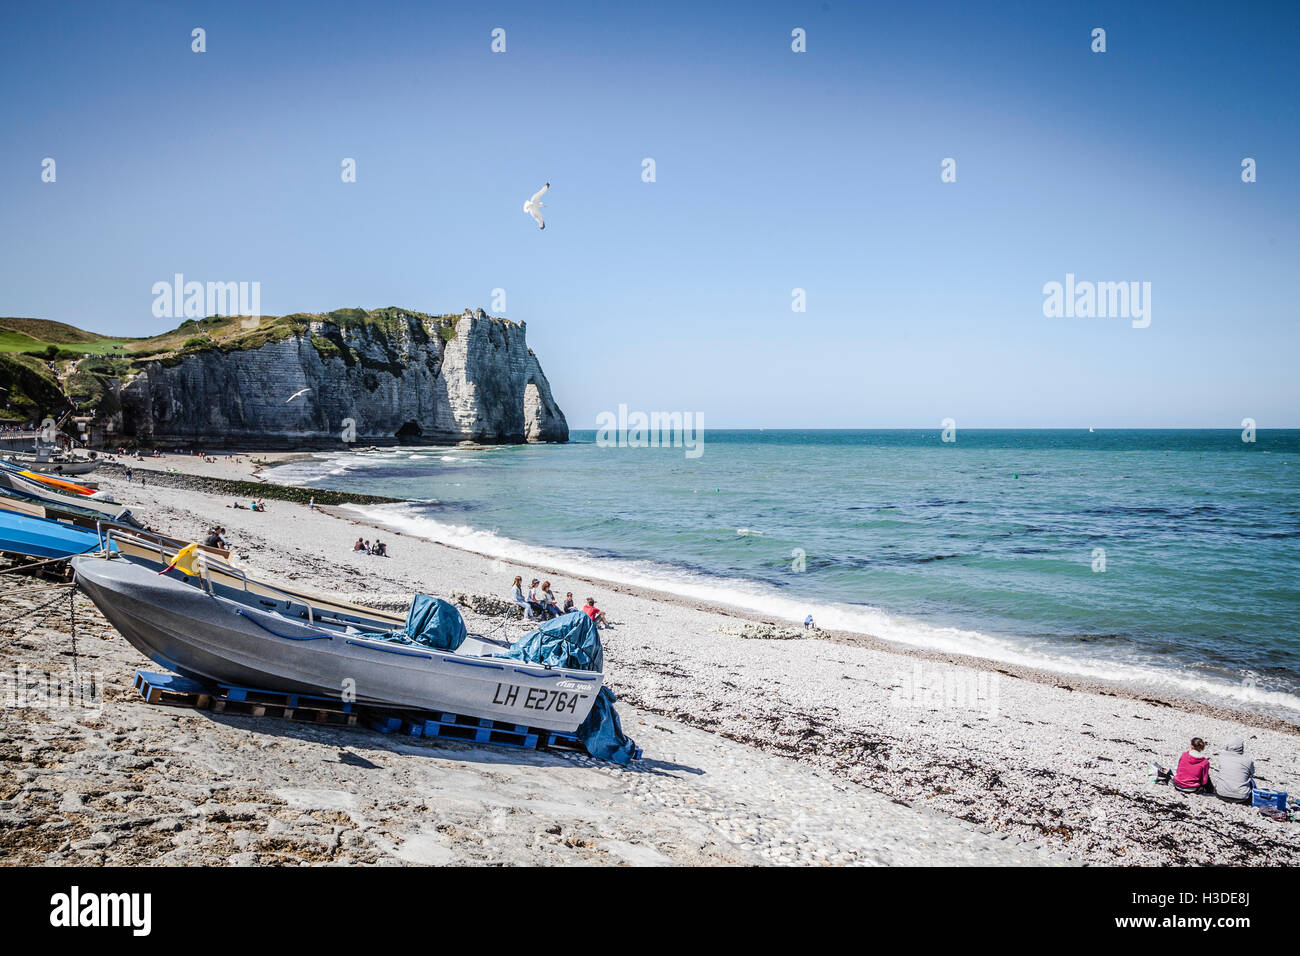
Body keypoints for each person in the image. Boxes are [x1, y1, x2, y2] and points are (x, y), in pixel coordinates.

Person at [1214, 737, 1255, 805]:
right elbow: (1252, 773)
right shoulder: (1248, 761)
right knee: (1251, 781)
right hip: (1241, 797)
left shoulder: (1222, 757)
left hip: (1221, 794)